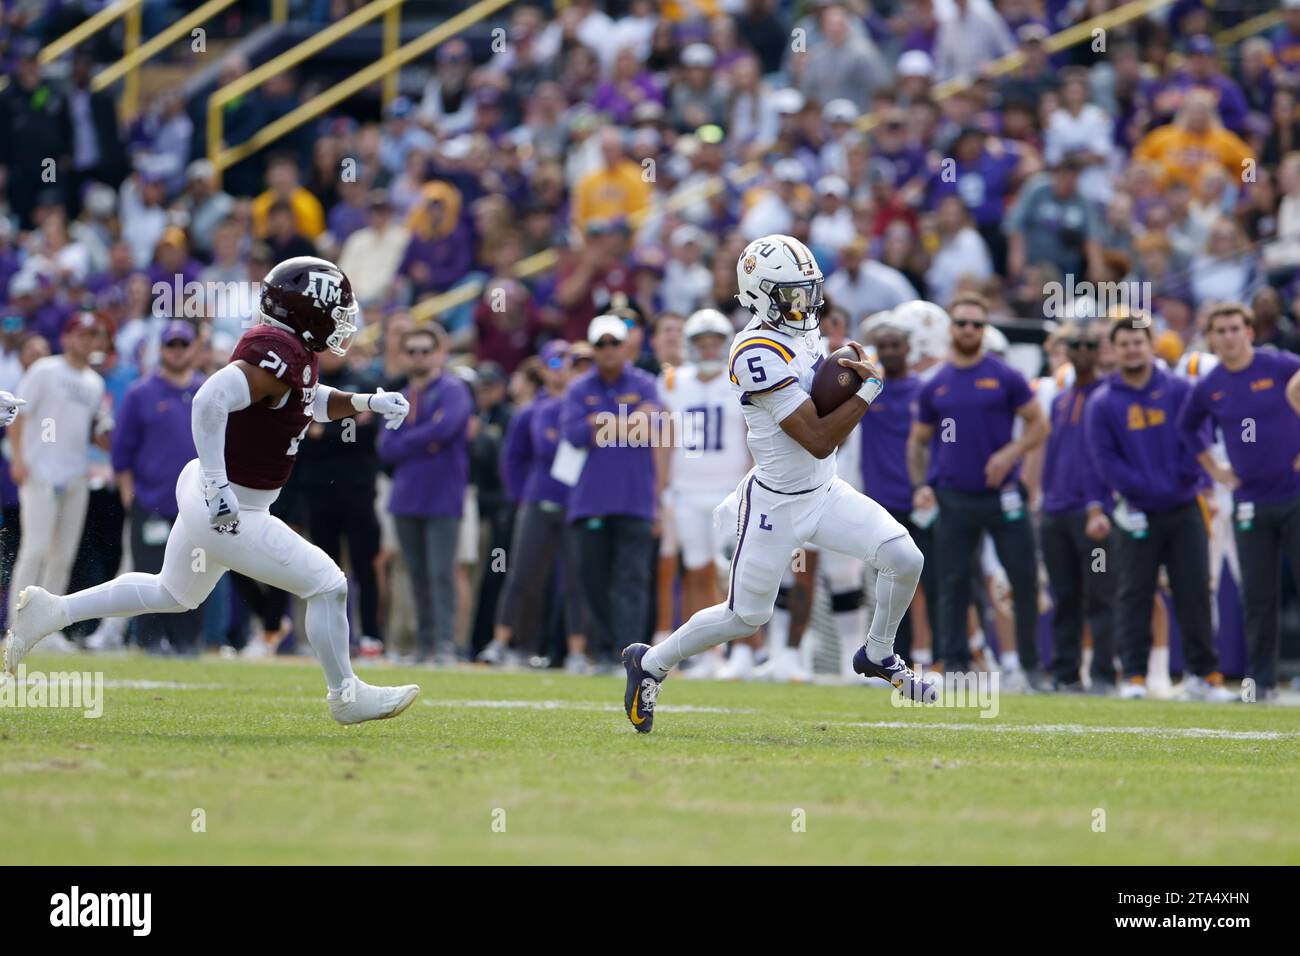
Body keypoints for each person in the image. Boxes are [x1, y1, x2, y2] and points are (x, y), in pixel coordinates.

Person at [2, 257, 420, 725]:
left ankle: (53, 610)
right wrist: (220, 487)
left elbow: (306, 400)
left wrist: (366, 402)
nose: (344, 322)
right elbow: (210, 399)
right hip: (231, 504)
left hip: (218, 493)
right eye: (337, 310)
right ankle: (346, 696)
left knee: (173, 591)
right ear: (308, 309)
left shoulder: (292, 354)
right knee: (328, 583)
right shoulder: (275, 350)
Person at [623, 234, 933, 734]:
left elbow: (820, 396)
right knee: (745, 617)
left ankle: (877, 653)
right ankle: (651, 662)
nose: (807, 303)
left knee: (904, 557)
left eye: (810, 290)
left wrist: (843, 367)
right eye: (794, 293)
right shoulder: (753, 350)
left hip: (824, 491)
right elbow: (815, 439)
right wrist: (868, 391)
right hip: (775, 503)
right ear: (762, 295)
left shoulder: (801, 331)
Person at [1084, 317, 1235, 703]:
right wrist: (1138, 491)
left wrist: (1185, 482)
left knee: (1194, 591)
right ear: (1114, 350)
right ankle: (1134, 676)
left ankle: (1206, 674)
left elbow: (1198, 441)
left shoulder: (1181, 389)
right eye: (1125, 343)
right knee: (1134, 593)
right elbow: (1105, 460)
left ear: (1152, 345)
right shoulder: (1103, 402)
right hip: (1136, 512)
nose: (1132, 349)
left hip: (1184, 506)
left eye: (1139, 341)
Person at [907, 292, 1051, 690]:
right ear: (951, 329)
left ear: (985, 330)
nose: (969, 329)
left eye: (976, 323)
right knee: (951, 582)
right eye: (962, 323)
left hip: (1003, 494)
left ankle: (1027, 665)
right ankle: (954, 665)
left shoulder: (1005, 376)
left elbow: (1039, 425)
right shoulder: (936, 384)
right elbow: (918, 441)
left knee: (1022, 579)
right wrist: (921, 485)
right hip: (954, 495)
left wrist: (1011, 453)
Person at [1178, 303, 1300, 702]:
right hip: (1248, 500)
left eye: (1235, 328)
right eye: (1221, 330)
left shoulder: (1279, 365)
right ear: (1211, 338)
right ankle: (1259, 683)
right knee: (1258, 596)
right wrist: (1213, 469)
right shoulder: (1211, 384)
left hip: (1295, 492)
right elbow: (1187, 425)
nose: (1229, 336)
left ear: (1249, 332)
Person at [560, 314, 662, 669]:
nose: (607, 350)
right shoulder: (578, 387)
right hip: (591, 502)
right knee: (593, 580)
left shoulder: (645, 381)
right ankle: (602, 650)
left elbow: (652, 427)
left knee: (632, 581)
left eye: (613, 343)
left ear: (625, 346)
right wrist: (628, 420)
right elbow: (573, 433)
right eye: (600, 344)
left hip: (635, 500)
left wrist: (600, 422)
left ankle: (628, 653)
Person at [8, 313, 112, 628]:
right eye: (80, 334)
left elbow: (96, 429)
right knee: (35, 549)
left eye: (92, 336)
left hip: (76, 475)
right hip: (40, 471)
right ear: (66, 338)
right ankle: (16, 625)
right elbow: (19, 415)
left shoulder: (95, 383)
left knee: (63, 556)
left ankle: (45, 628)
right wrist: (18, 459)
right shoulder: (45, 370)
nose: (87, 341)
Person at [378, 323, 473, 664]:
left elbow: (448, 427)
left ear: (439, 353)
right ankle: (424, 644)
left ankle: (445, 643)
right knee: (415, 575)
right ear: (404, 356)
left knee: (440, 572)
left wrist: (408, 439)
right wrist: (425, 439)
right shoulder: (399, 395)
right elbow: (385, 448)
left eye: (425, 350)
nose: (419, 356)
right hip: (405, 497)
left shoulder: (453, 389)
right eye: (412, 351)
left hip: (443, 496)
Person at [109, 320, 205, 653]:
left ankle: (187, 643)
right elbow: (121, 452)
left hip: (196, 506)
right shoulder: (140, 392)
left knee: (196, 576)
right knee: (149, 574)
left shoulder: (206, 391)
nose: (177, 351)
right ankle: (147, 642)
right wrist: (130, 499)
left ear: (193, 348)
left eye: (183, 344)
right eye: (171, 345)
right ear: (161, 349)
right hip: (151, 501)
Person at [656, 309, 748, 654]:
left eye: (715, 344)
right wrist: (662, 489)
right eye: (702, 344)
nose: (709, 351)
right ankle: (704, 653)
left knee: (731, 575)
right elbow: (664, 441)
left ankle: (741, 652)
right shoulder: (673, 381)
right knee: (696, 570)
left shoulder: (740, 380)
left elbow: (752, 435)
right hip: (686, 489)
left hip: (730, 489)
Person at [1040, 322, 1117, 693]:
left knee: (1100, 595)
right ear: (1066, 350)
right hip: (1056, 511)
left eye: (1090, 344)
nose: (1083, 349)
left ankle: (1104, 673)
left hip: (1094, 512)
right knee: (1064, 595)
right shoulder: (1061, 399)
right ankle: (1065, 673)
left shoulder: (1109, 398)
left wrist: (1100, 504)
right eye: (1076, 344)